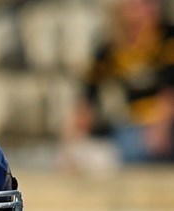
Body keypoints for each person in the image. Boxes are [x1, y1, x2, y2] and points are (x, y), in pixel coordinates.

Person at [66, 0, 174, 165]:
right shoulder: (114, 46)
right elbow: (89, 90)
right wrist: (72, 141)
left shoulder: (167, 39)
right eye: (141, 5)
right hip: (135, 128)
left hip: (163, 128)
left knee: (129, 149)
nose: (149, 10)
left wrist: (161, 128)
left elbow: (169, 89)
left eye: (151, 4)